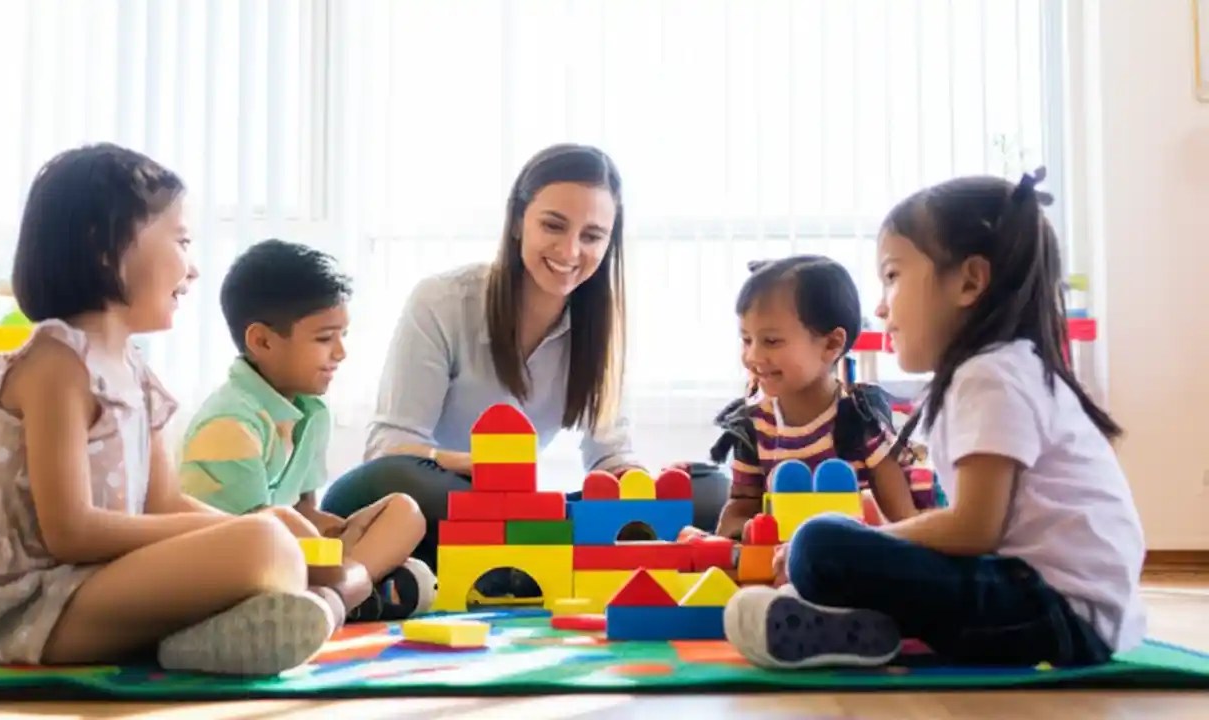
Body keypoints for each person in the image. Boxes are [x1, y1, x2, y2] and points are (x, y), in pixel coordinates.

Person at [0, 144, 339, 676]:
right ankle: (212, 632)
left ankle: (208, 637)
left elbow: (165, 501)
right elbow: (71, 532)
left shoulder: (136, 373)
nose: (192, 271)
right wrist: (252, 535)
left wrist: (259, 527)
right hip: (35, 607)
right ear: (105, 248)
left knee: (275, 534)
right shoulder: (57, 362)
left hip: (99, 584)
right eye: (182, 241)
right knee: (267, 543)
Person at [725, 169, 1146, 670]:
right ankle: (857, 633)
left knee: (819, 543)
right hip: (1057, 606)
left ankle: (842, 620)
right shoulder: (1003, 368)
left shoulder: (992, 374)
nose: (881, 306)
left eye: (893, 276)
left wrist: (871, 541)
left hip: (1053, 611)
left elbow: (974, 528)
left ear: (969, 281)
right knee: (831, 543)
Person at [320, 143, 730, 586]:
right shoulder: (441, 301)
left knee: (712, 491)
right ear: (518, 222)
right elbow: (390, 445)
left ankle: (524, 561)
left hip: (516, 514)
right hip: (433, 497)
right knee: (403, 484)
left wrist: (645, 487)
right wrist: (480, 465)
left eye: (592, 236)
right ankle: (542, 561)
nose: (571, 250)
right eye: (553, 225)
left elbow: (609, 455)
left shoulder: (604, 327)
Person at [179, 239, 436, 622]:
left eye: (342, 336)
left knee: (405, 512)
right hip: (241, 558)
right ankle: (350, 590)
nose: (340, 353)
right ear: (262, 341)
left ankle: (344, 590)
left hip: (293, 547)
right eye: (324, 338)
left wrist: (339, 530)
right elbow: (256, 528)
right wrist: (334, 547)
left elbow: (303, 510)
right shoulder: (229, 425)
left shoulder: (311, 412)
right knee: (411, 579)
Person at [708, 255, 929, 542]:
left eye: (771, 341)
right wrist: (745, 531)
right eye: (747, 340)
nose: (752, 356)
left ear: (832, 344)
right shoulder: (752, 428)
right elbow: (739, 509)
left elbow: (903, 520)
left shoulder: (859, 419)